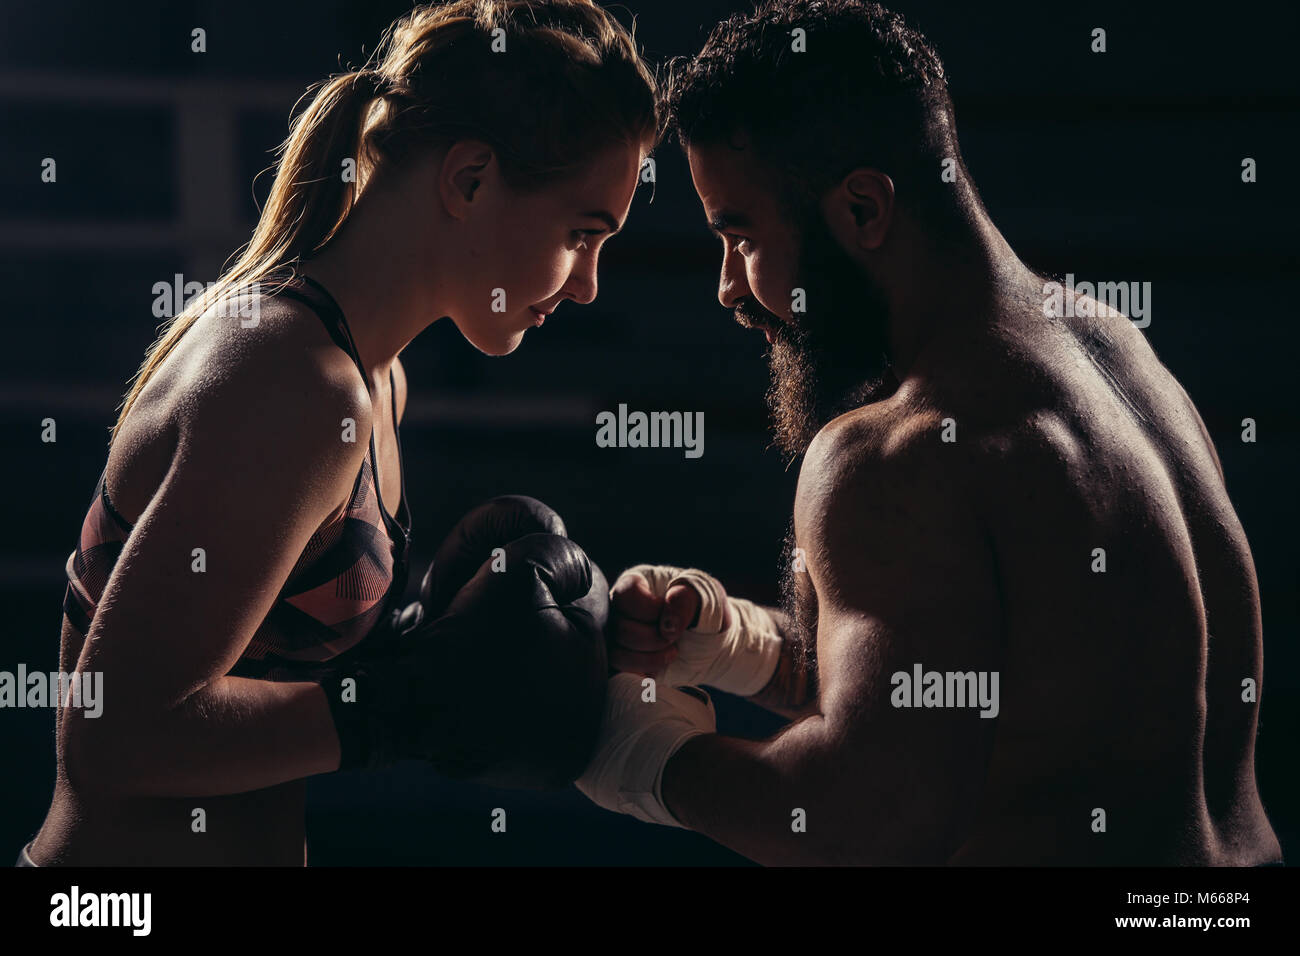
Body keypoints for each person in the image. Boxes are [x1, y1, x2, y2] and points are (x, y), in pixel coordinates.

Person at [576, 0, 1285, 866]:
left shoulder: (900, 454)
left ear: (864, 209)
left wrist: (639, 756)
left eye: (740, 235)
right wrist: (736, 646)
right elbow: (964, 694)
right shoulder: (1123, 359)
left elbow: (865, 821)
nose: (729, 288)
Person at [20, 0, 657, 866]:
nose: (587, 285)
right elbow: (116, 736)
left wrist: (427, 652)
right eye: (582, 235)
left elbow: (265, 666)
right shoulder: (294, 386)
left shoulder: (370, 375)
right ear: (469, 180)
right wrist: (400, 704)